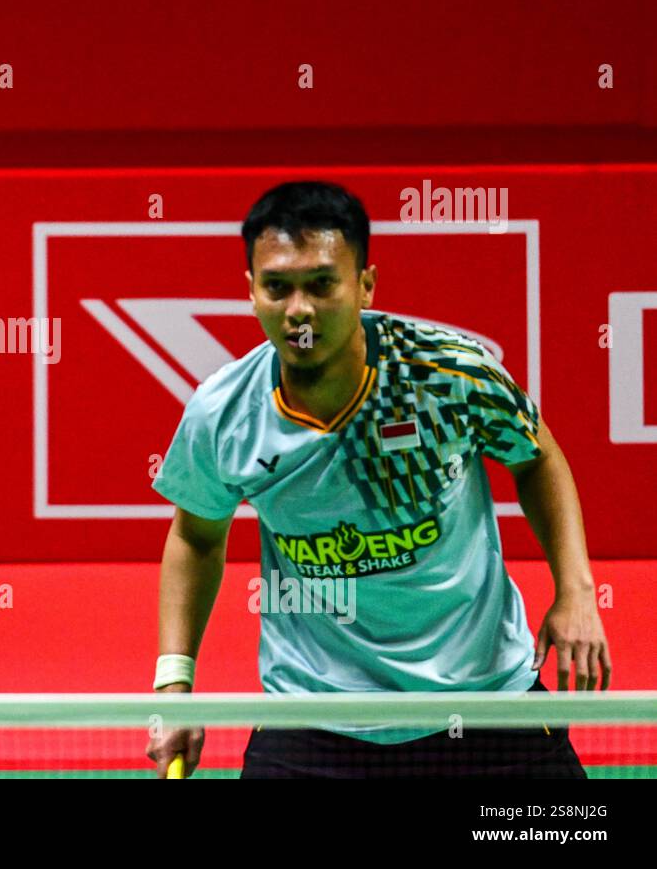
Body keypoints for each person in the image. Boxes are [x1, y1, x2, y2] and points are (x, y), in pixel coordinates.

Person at [145, 181, 611, 778]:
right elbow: (196, 537)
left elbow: (537, 456)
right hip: (314, 718)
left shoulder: (446, 376)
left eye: (321, 284)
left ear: (365, 284)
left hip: (486, 704)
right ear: (251, 292)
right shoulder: (225, 413)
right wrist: (172, 685)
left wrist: (576, 593)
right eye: (277, 287)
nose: (299, 310)